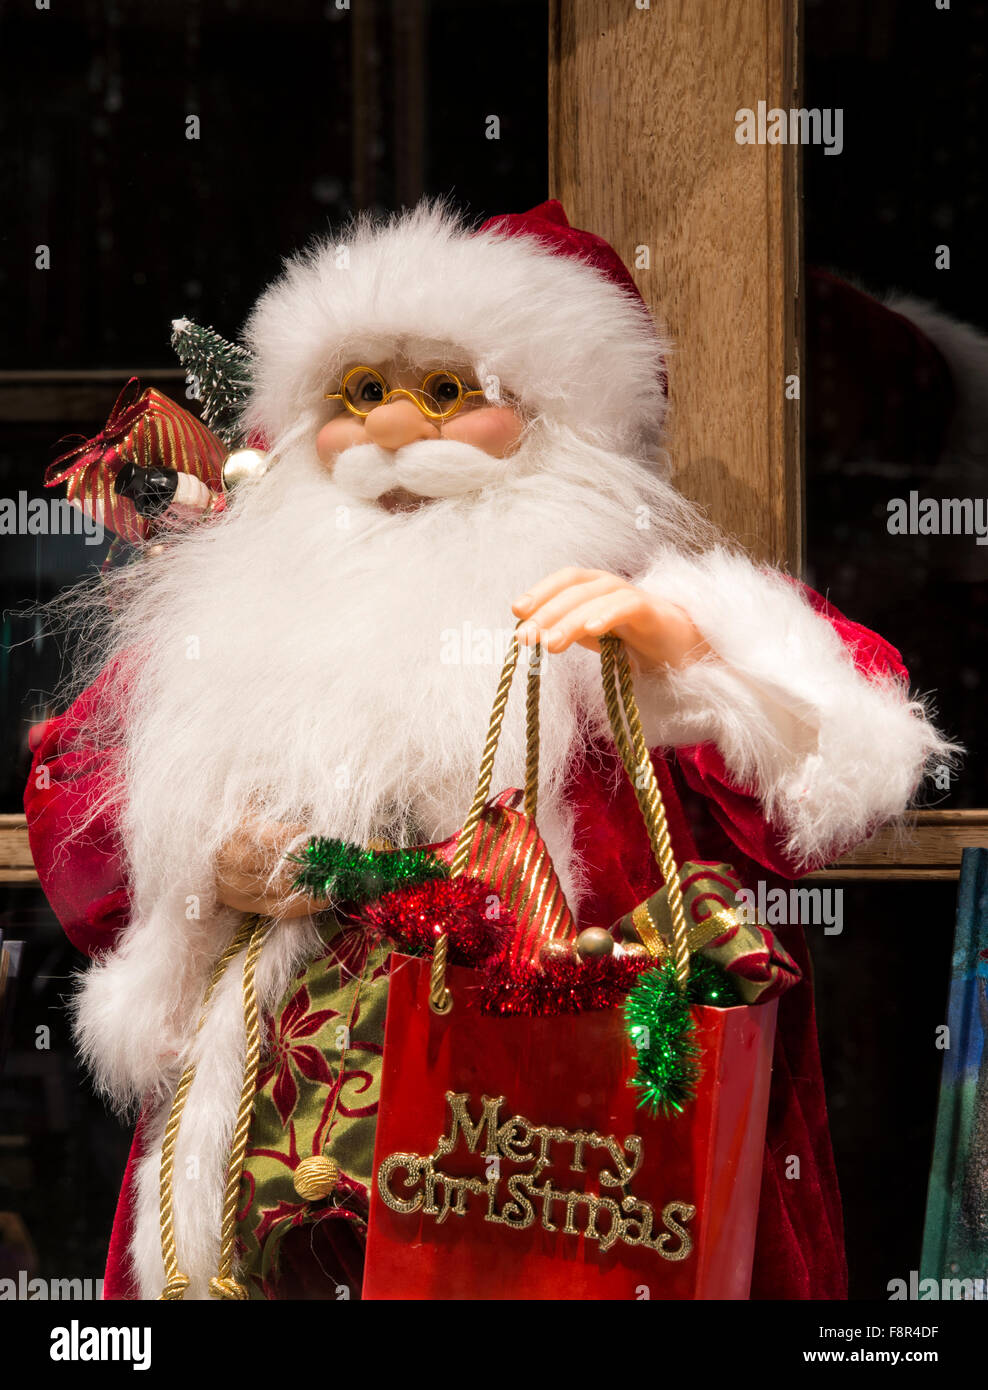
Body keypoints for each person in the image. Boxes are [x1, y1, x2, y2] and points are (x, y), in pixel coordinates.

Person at [26, 199, 951, 1299]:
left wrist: (694, 654)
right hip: (281, 1170)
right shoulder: (237, 604)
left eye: (449, 391)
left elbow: (829, 771)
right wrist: (205, 859)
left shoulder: (624, 606)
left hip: (563, 1157)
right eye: (361, 392)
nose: (393, 428)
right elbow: (79, 796)